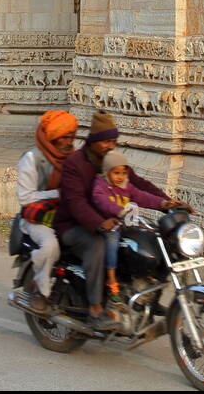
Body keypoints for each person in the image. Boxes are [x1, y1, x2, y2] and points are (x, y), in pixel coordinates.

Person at [55, 112, 186, 331]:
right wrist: (98, 223)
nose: (110, 146)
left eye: (113, 141)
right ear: (94, 141)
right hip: (74, 226)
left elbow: (137, 185)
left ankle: (146, 298)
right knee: (97, 245)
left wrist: (166, 203)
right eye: (106, 141)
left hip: (111, 224)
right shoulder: (75, 164)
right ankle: (96, 309)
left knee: (148, 241)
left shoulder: (112, 162)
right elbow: (76, 203)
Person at [15, 110, 78, 316]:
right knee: (51, 246)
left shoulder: (73, 157)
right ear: (52, 137)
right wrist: (58, 193)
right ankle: (38, 290)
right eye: (64, 137)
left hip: (67, 215)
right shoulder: (32, 159)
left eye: (71, 136)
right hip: (38, 219)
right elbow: (25, 197)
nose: (69, 142)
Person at [89, 150, 172, 304]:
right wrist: (119, 211)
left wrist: (163, 203)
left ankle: (144, 279)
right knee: (113, 241)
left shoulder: (126, 186)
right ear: (107, 172)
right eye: (116, 173)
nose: (120, 176)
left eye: (123, 172)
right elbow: (103, 202)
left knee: (149, 236)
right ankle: (112, 279)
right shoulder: (99, 186)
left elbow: (143, 196)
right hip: (107, 225)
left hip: (125, 223)